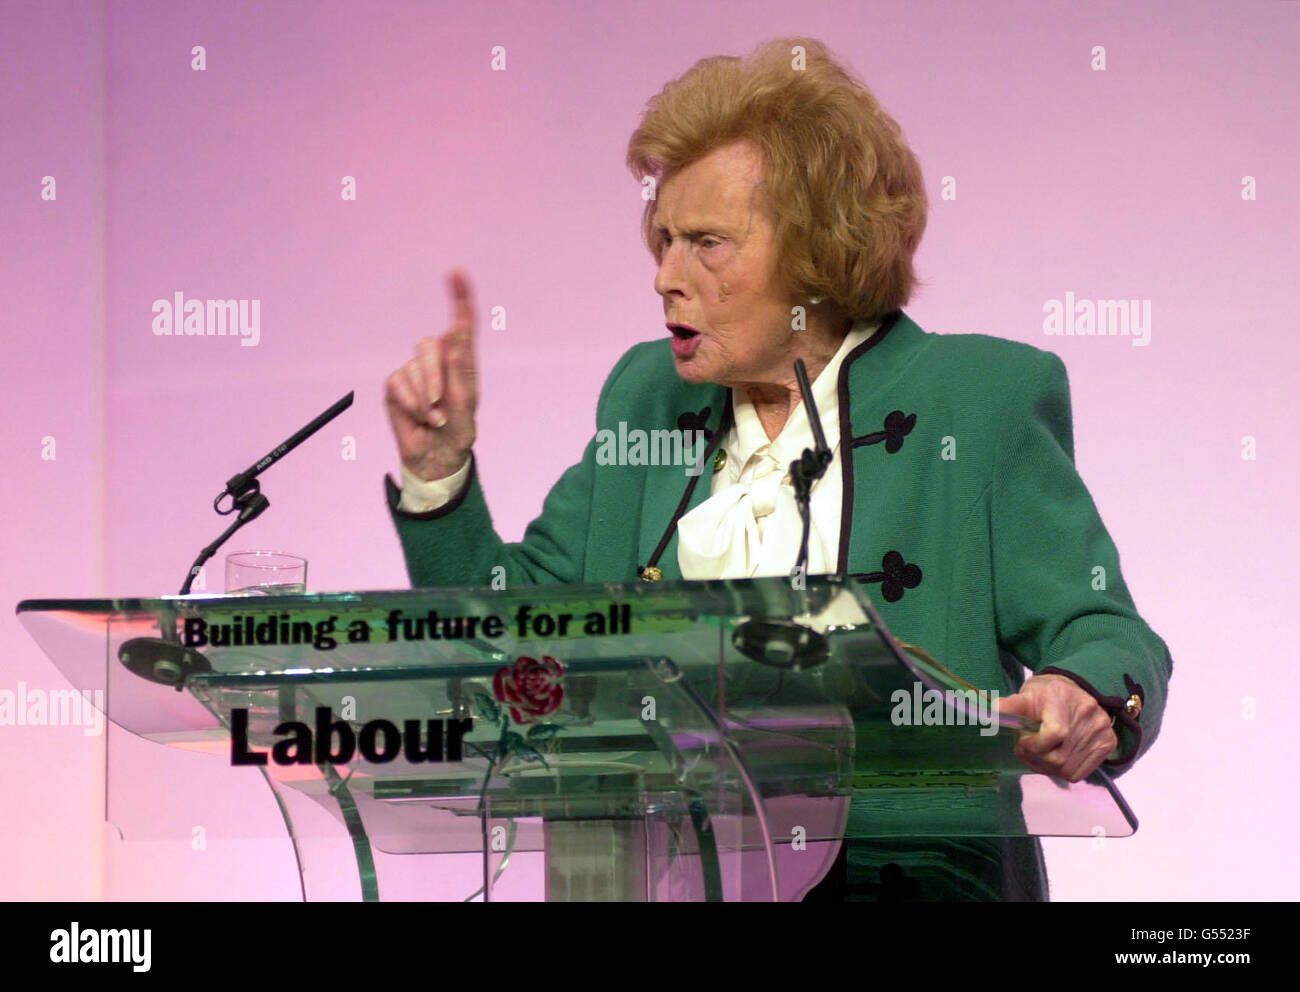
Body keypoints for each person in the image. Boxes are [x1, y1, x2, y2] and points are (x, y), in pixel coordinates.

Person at [381, 37, 1172, 901]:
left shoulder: (976, 401)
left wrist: (1082, 691)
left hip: (914, 878)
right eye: (665, 239)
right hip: (656, 874)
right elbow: (513, 629)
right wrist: (440, 480)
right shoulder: (646, 399)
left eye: (707, 244)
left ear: (818, 254)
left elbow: (1107, 631)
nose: (665, 276)